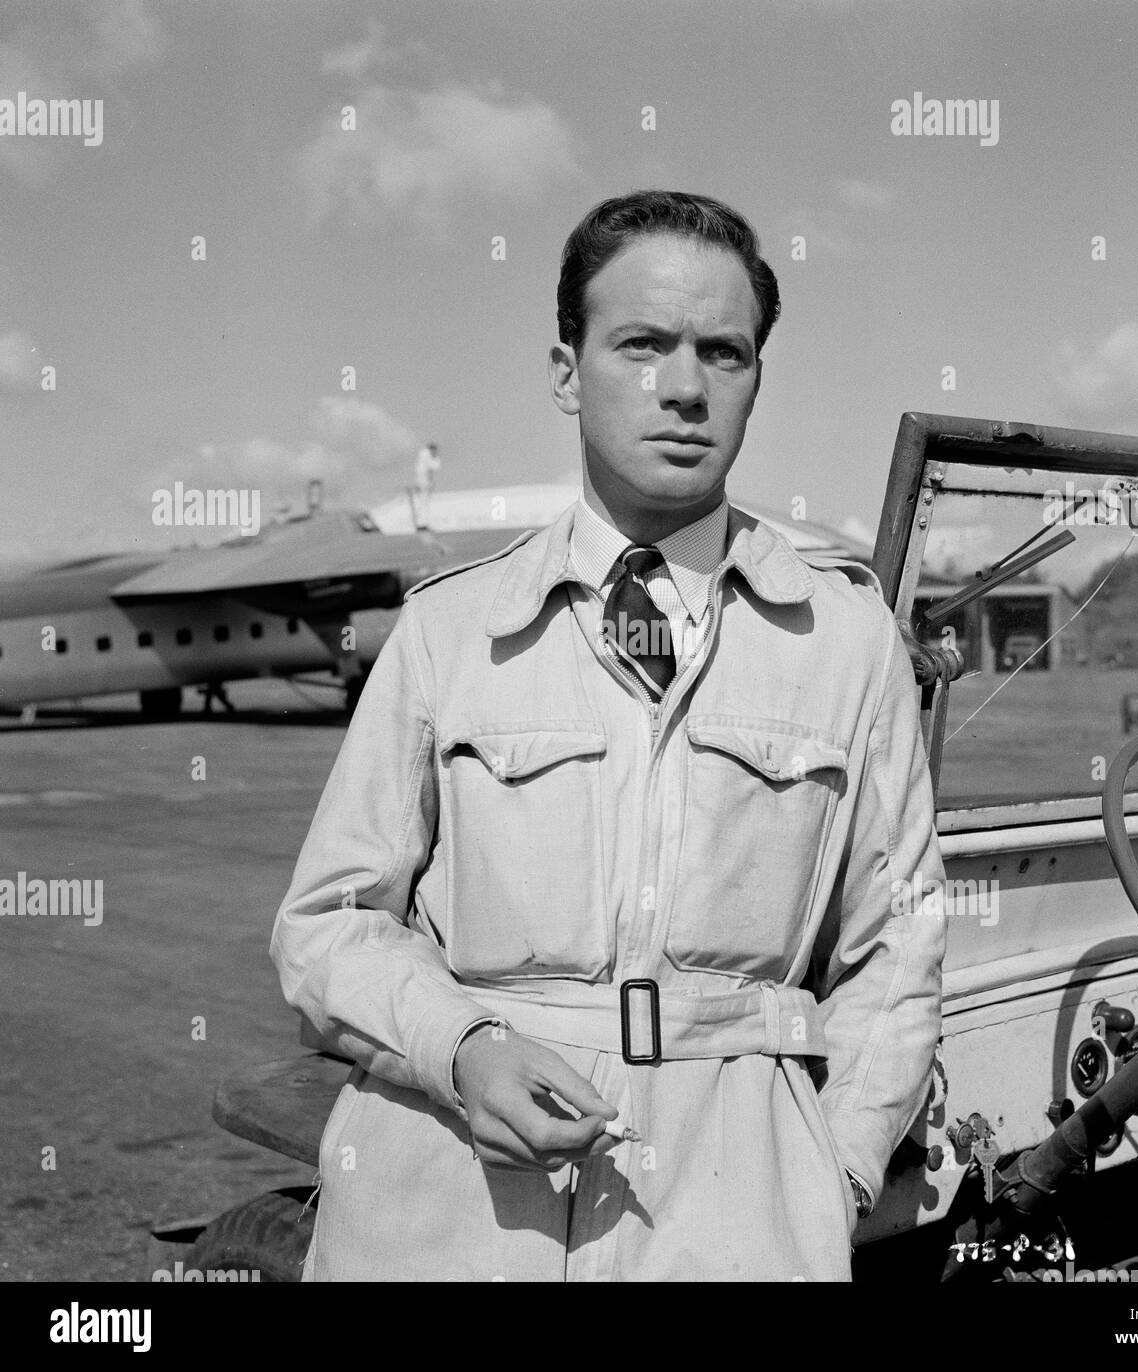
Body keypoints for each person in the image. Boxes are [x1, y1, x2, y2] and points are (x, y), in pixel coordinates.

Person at [270, 190, 946, 1281]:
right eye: (641, 343)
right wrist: (463, 1047)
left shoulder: (845, 634)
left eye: (723, 353)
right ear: (565, 370)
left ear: (755, 381)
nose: (684, 386)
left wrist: (836, 1173)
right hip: (450, 1203)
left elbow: (899, 945)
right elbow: (328, 926)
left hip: (734, 1217)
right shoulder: (450, 628)